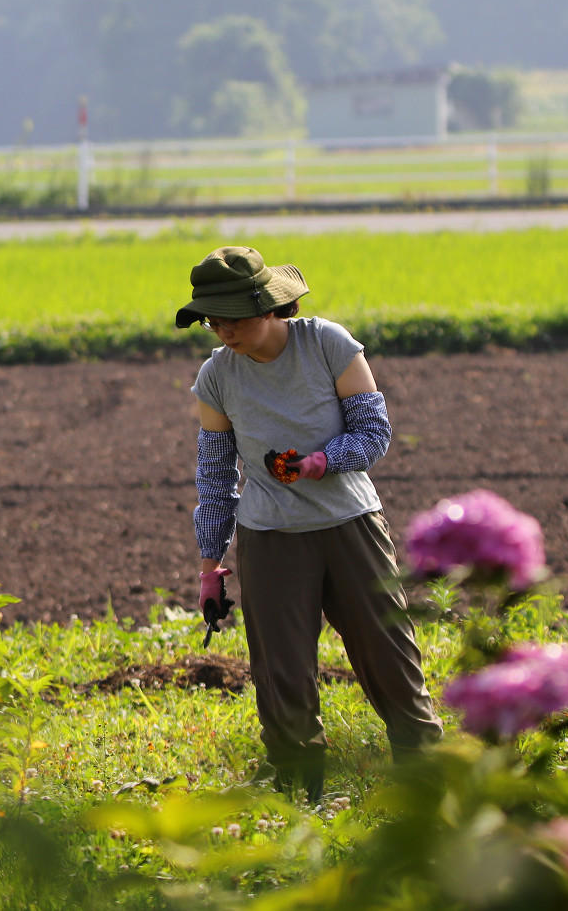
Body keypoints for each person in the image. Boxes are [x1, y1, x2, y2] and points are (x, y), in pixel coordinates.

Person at [178, 245, 441, 801]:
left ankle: (426, 779)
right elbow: (215, 478)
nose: (223, 329)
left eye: (234, 316)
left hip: (349, 523)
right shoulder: (216, 378)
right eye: (212, 318)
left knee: (388, 653)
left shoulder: (326, 343)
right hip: (270, 539)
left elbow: (374, 432)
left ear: (270, 306)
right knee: (282, 674)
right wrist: (209, 567)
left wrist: (324, 460)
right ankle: (301, 796)